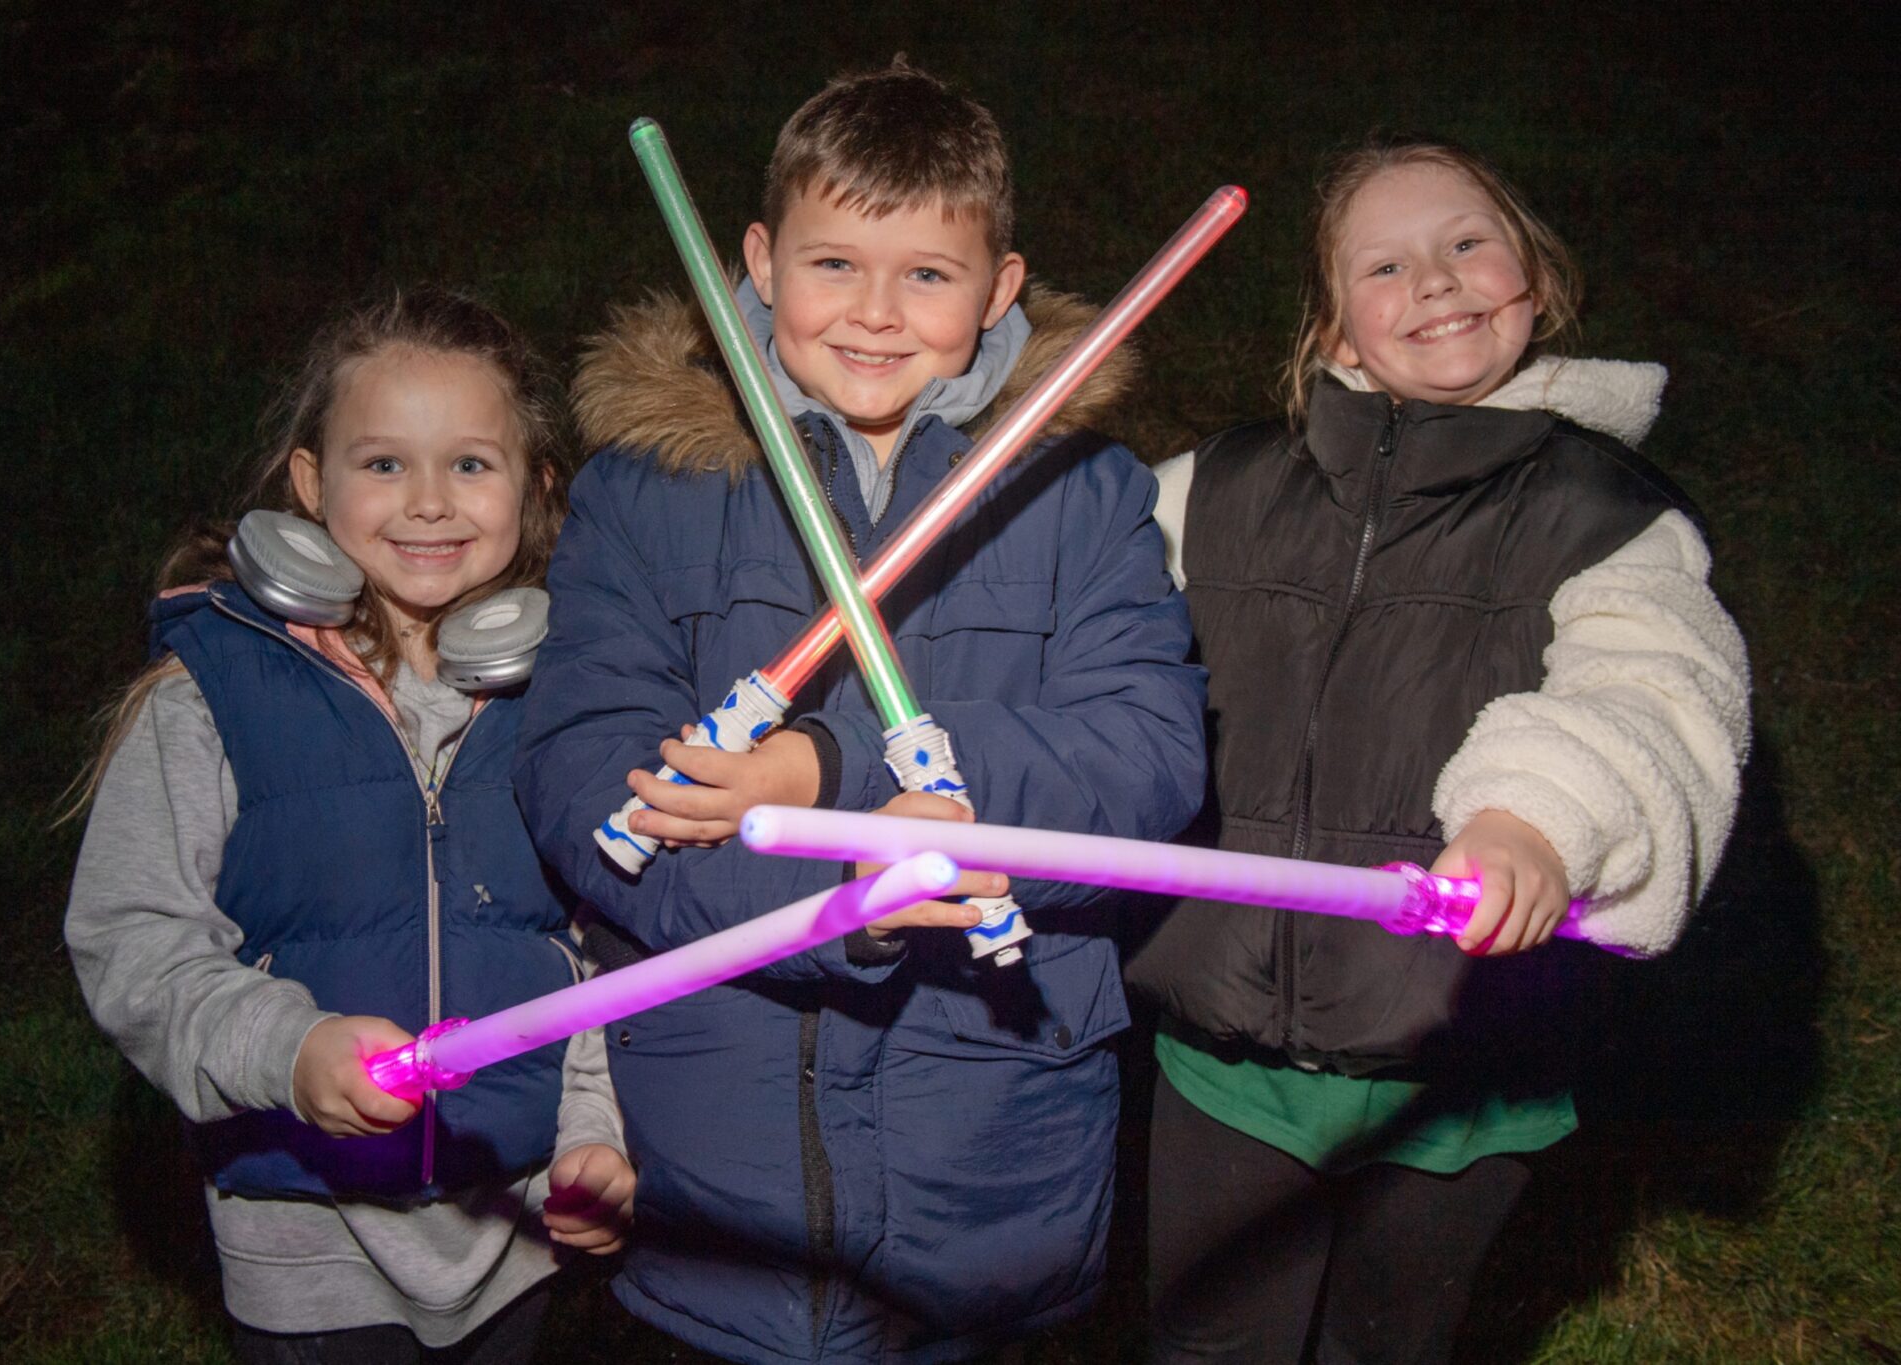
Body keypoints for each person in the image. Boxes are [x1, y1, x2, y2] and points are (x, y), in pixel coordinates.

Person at [516, 61, 1206, 1365]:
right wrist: (839, 903)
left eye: (930, 276)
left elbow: (1149, 756)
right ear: (761, 262)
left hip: (992, 1209)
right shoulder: (645, 489)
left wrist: (821, 775)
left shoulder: (1081, 492)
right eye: (836, 264)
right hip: (712, 1206)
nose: (878, 314)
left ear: (1001, 287)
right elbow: (582, 777)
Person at [1127, 138, 1753, 1364]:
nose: (1435, 278)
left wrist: (1536, 815)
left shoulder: (1610, 516)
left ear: (1535, 277)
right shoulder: (1219, 489)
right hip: (1229, 1058)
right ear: (1334, 333)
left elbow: (1656, 687)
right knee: (1208, 1345)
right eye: (1385, 262)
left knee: (1393, 1345)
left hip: (1467, 1067)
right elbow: (1064, 611)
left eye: (1466, 242)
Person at [65, 287, 634, 1363]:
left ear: (536, 487)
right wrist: (289, 1048)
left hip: (516, 1238)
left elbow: (600, 953)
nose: (429, 502)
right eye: (383, 464)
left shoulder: (570, 709)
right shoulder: (211, 695)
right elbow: (133, 941)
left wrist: (594, 1135)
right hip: (308, 1250)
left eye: (471, 463)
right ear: (308, 486)